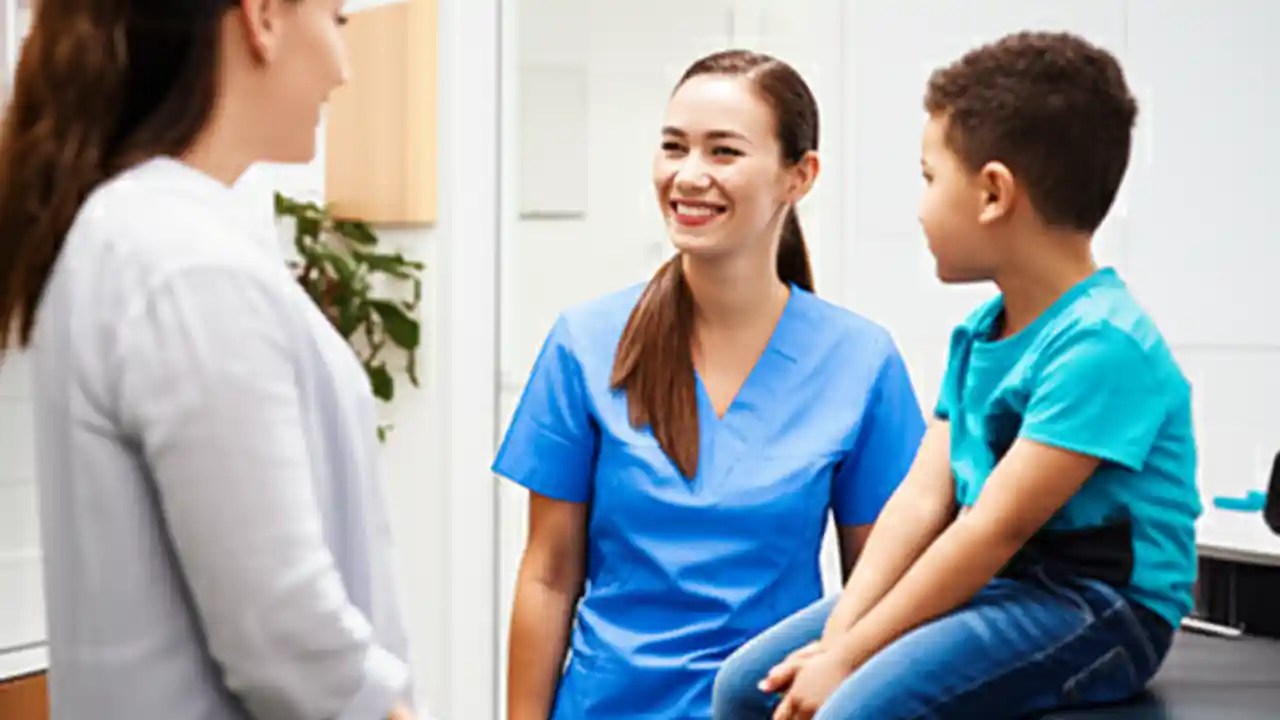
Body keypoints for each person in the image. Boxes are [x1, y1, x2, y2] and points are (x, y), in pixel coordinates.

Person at [711, 30, 1201, 720]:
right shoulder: (979, 334)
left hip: (1097, 606)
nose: (919, 205)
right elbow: (920, 502)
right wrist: (841, 635)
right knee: (743, 689)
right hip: (1007, 583)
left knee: (851, 710)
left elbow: (990, 530)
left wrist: (848, 661)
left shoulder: (1105, 346)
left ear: (994, 193)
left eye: (929, 177)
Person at [0, 2, 417, 719]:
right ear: (262, 19)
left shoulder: (145, 235)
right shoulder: (184, 263)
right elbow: (285, 636)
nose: (343, 68)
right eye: (337, 20)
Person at [494, 49, 927, 719]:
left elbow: (879, 594)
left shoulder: (860, 362)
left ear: (799, 176)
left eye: (723, 152)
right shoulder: (584, 345)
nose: (688, 176)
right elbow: (549, 574)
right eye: (674, 147)